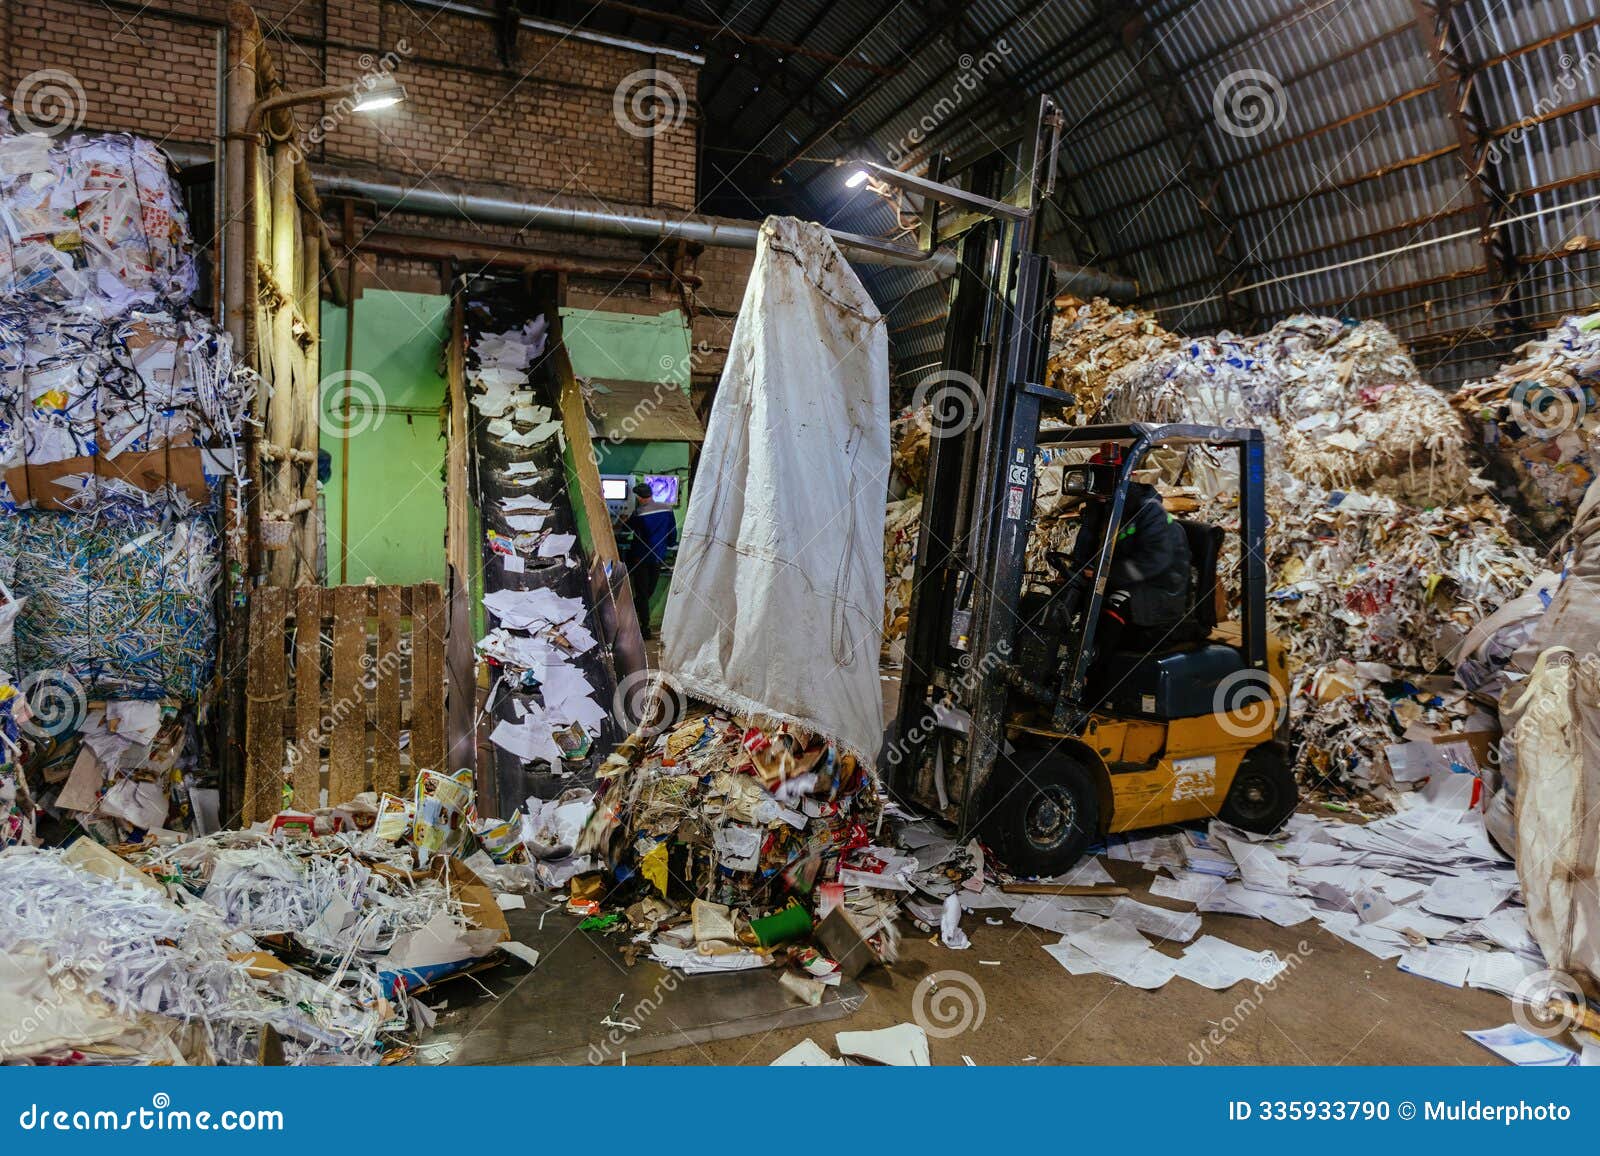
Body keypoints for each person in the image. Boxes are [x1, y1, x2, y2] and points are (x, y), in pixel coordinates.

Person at [1068, 451, 1190, 687]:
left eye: (1104, 477)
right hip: (1121, 582)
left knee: (1115, 603)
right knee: (1062, 601)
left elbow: (1155, 561)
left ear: (1124, 477)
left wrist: (1108, 574)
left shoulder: (1149, 511)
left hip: (1158, 590)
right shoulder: (1100, 509)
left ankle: (1092, 681)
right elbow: (1085, 552)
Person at [622, 481, 677, 640]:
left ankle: (641, 624)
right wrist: (670, 544)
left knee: (642, 593)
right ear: (651, 495)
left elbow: (626, 530)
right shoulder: (667, 509)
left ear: (639, 498)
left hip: (640, 557)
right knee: (648, 591)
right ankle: (640, 619)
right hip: (658, 557)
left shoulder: (638, 513)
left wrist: (624, 520)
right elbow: (672, 532)